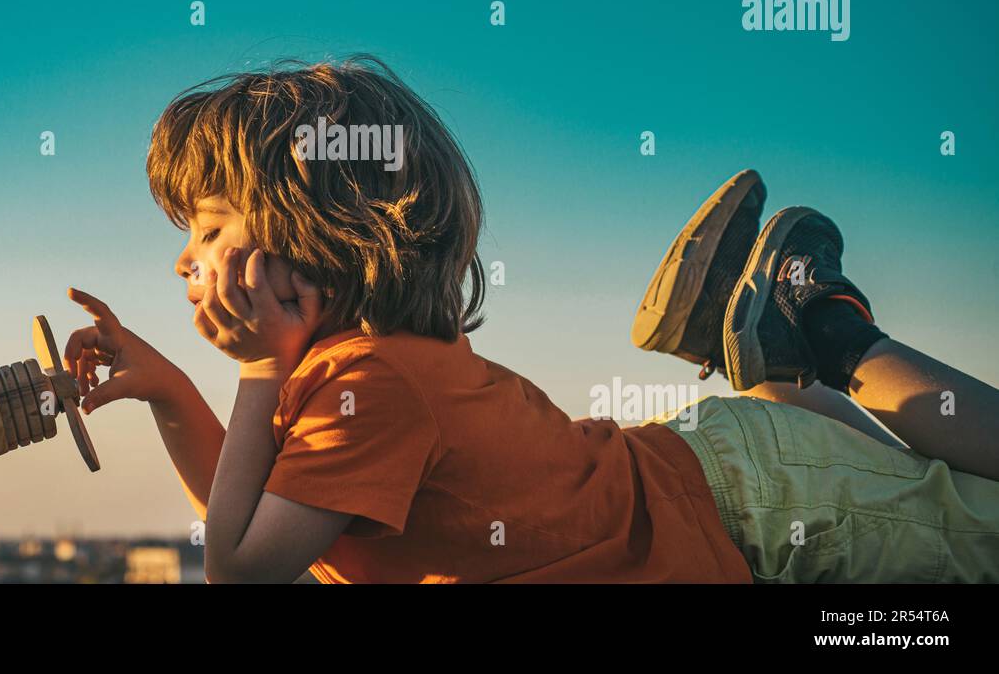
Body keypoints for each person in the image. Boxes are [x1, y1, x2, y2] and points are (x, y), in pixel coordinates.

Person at [63, 57, 999, 582]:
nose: (185, 258)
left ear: (314, 236)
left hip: (759, 503)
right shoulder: (358, 377)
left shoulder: (371, 388)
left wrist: (252, 367)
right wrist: (174, 394)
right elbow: (265, 516)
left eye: (212, 225)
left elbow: (241, 569)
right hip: (717, 471)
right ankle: (781, 351)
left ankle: (824, 329)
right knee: (889, 455)